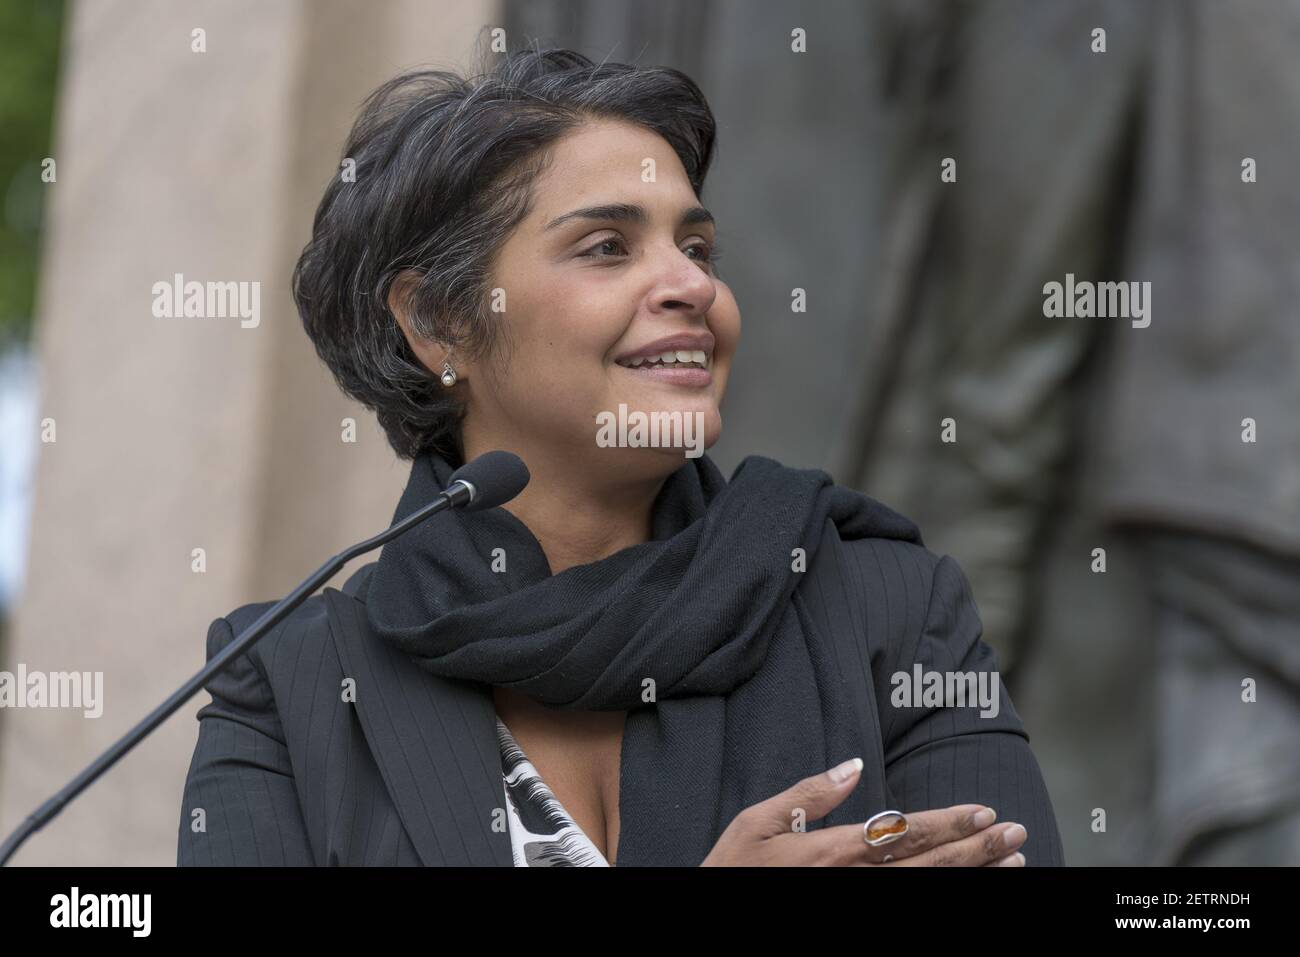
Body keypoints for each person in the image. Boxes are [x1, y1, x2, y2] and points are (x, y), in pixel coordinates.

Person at [176, 47, 1064, 867]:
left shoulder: (890, 607)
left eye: (697, 247)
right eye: (607, 247)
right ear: (439, 322)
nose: (694, 285)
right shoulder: (287, 686)